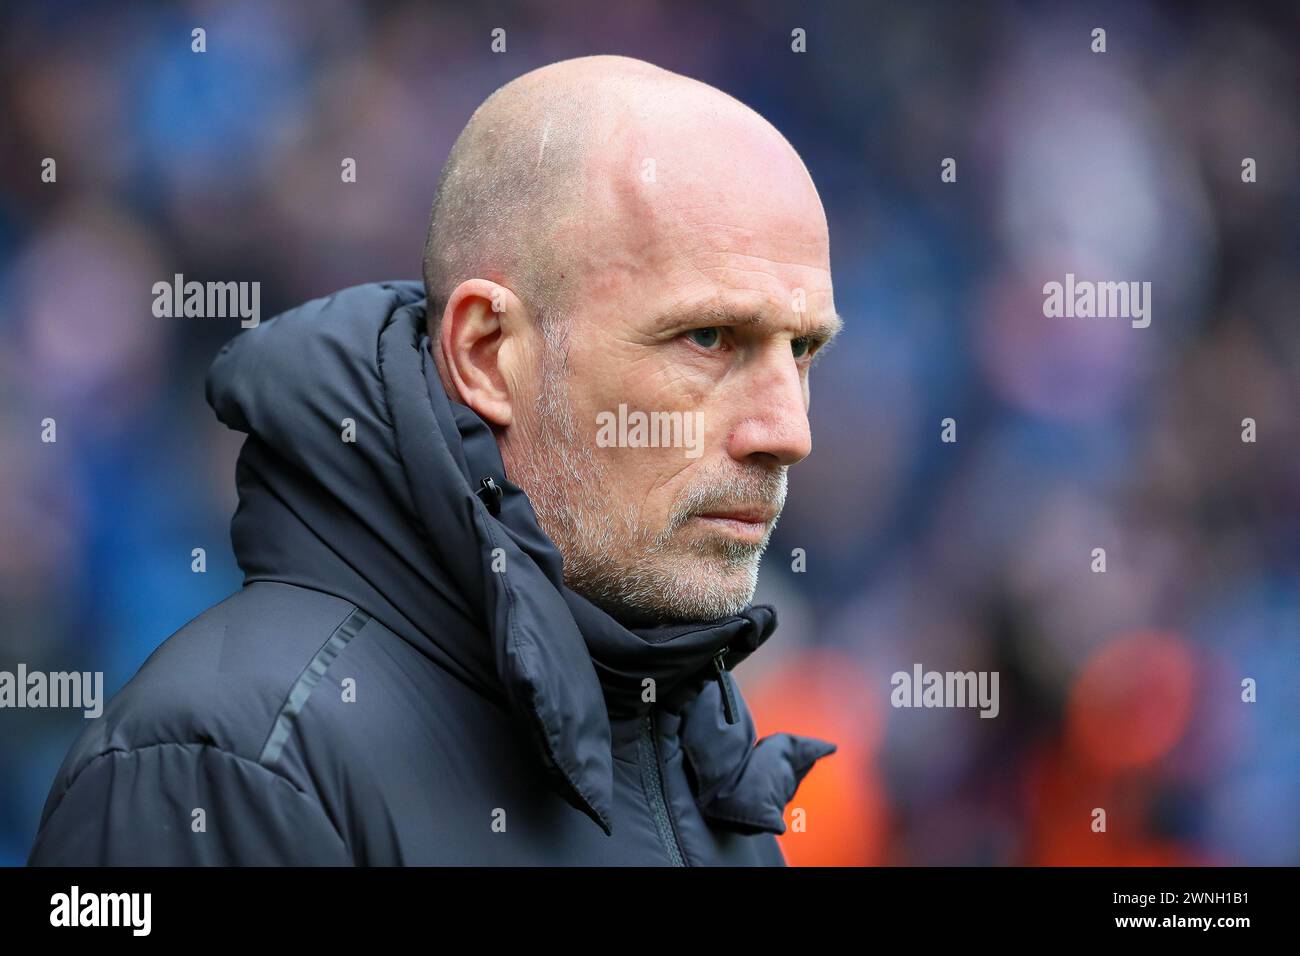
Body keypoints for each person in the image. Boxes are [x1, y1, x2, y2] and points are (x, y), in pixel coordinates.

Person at [28, 54, 840, 866]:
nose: (786, 430)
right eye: (708, 338)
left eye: (802, 349)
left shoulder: (703, 761)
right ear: (487, 354)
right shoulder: (218, 769)